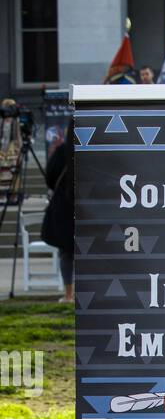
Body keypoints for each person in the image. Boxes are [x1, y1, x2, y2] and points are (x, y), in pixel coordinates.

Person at [42, 117, 74, 302]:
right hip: (85, 207)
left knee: (66, 254)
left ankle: (69, 293)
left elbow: (50, 177)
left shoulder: (62, 151)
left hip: (63, 207)